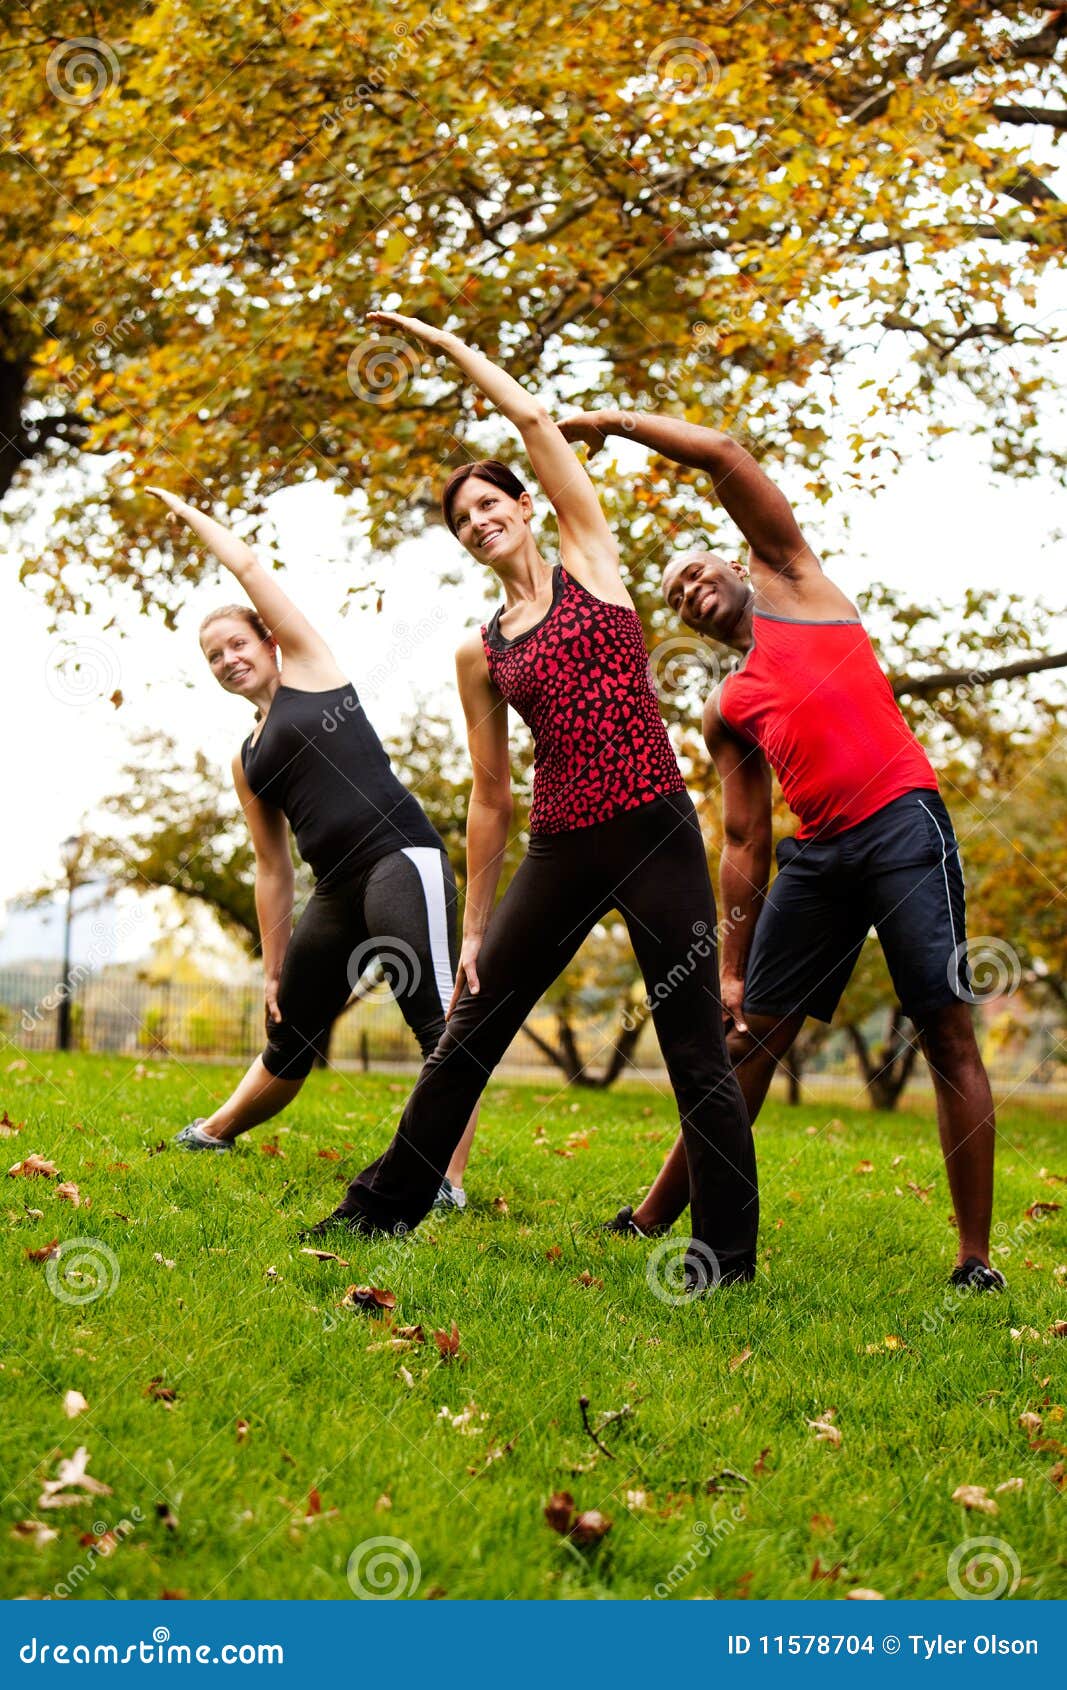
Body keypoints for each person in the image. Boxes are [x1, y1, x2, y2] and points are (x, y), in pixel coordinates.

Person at [304, 311, 758, 1295]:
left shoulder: (588, 559)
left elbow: (534, 421)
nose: (479, 521)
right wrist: (473, 924)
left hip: (652, 829)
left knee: (693, 1050)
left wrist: (439, 344)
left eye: (488, 502)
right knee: (468, 1032)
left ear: (523, 503)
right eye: (461, 519)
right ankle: (382, 1207)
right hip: (559, 848)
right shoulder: (480, 651)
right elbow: (489, 796)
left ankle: (724, 1260)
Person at [557, 409, 1004, 1291]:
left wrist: (611, 422)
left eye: (695, 571)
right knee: (748, 1040)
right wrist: (728, 967)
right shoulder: (726, 707)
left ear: (736, 562)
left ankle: (973, 1260)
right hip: (820, 857)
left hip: (902, 823)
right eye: (673, 595)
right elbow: (743, 840)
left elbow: (723, 454)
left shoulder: (797, 583)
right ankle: (649, 1217)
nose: (687, 590)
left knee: (944, 1029)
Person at [147, 486, 478, 1210]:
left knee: (438, 1019)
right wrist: (273, 968)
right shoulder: (246, 759)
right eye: (213, 656)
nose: (228, 659)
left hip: (398, 857)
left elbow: (248, 566)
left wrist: (191, 514)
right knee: (290, 1029)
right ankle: (214, 1131)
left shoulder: (310, 668)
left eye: (237, 643)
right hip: (334, 886)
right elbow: (272, 868)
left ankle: (445, 1181)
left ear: (269, 642)